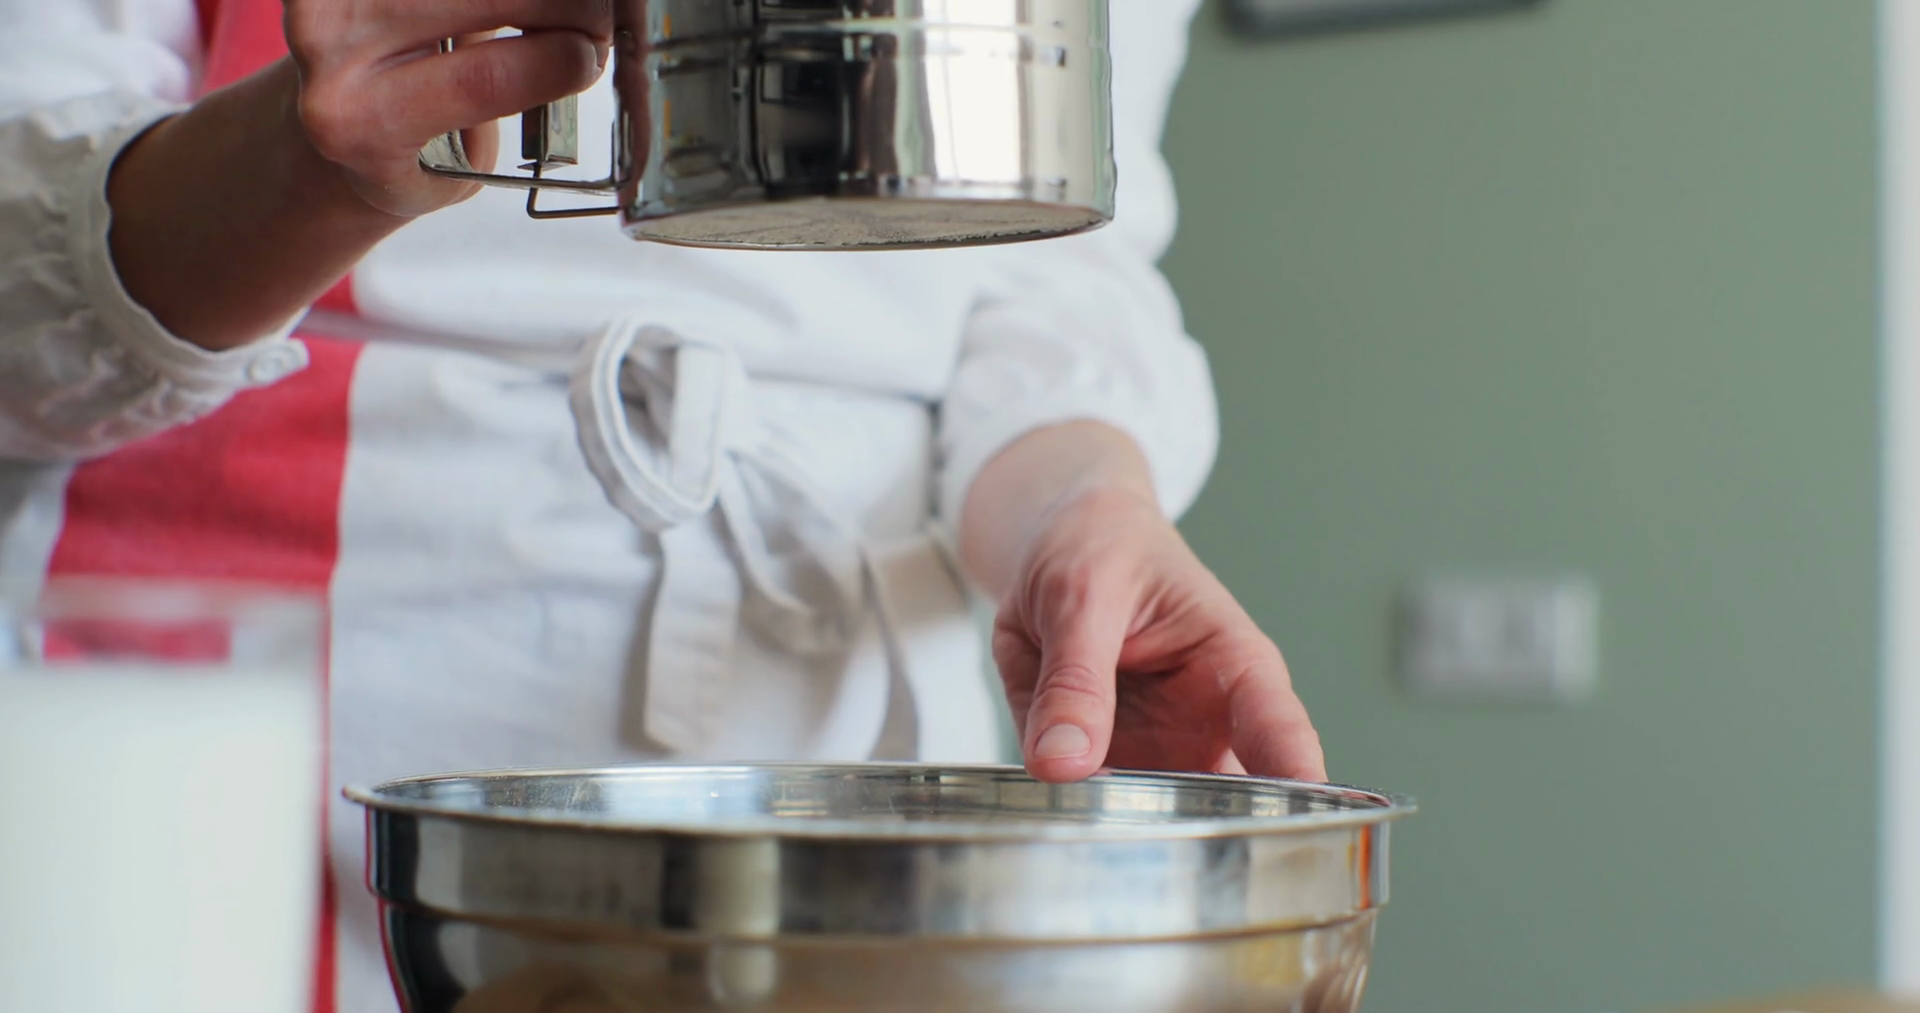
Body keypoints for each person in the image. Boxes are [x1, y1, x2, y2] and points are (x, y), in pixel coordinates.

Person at [0, 0, 1326, 1008]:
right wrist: (300, 168)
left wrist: (1084, 510)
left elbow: (1054, 278)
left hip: (833, 754)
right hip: (239, 729)